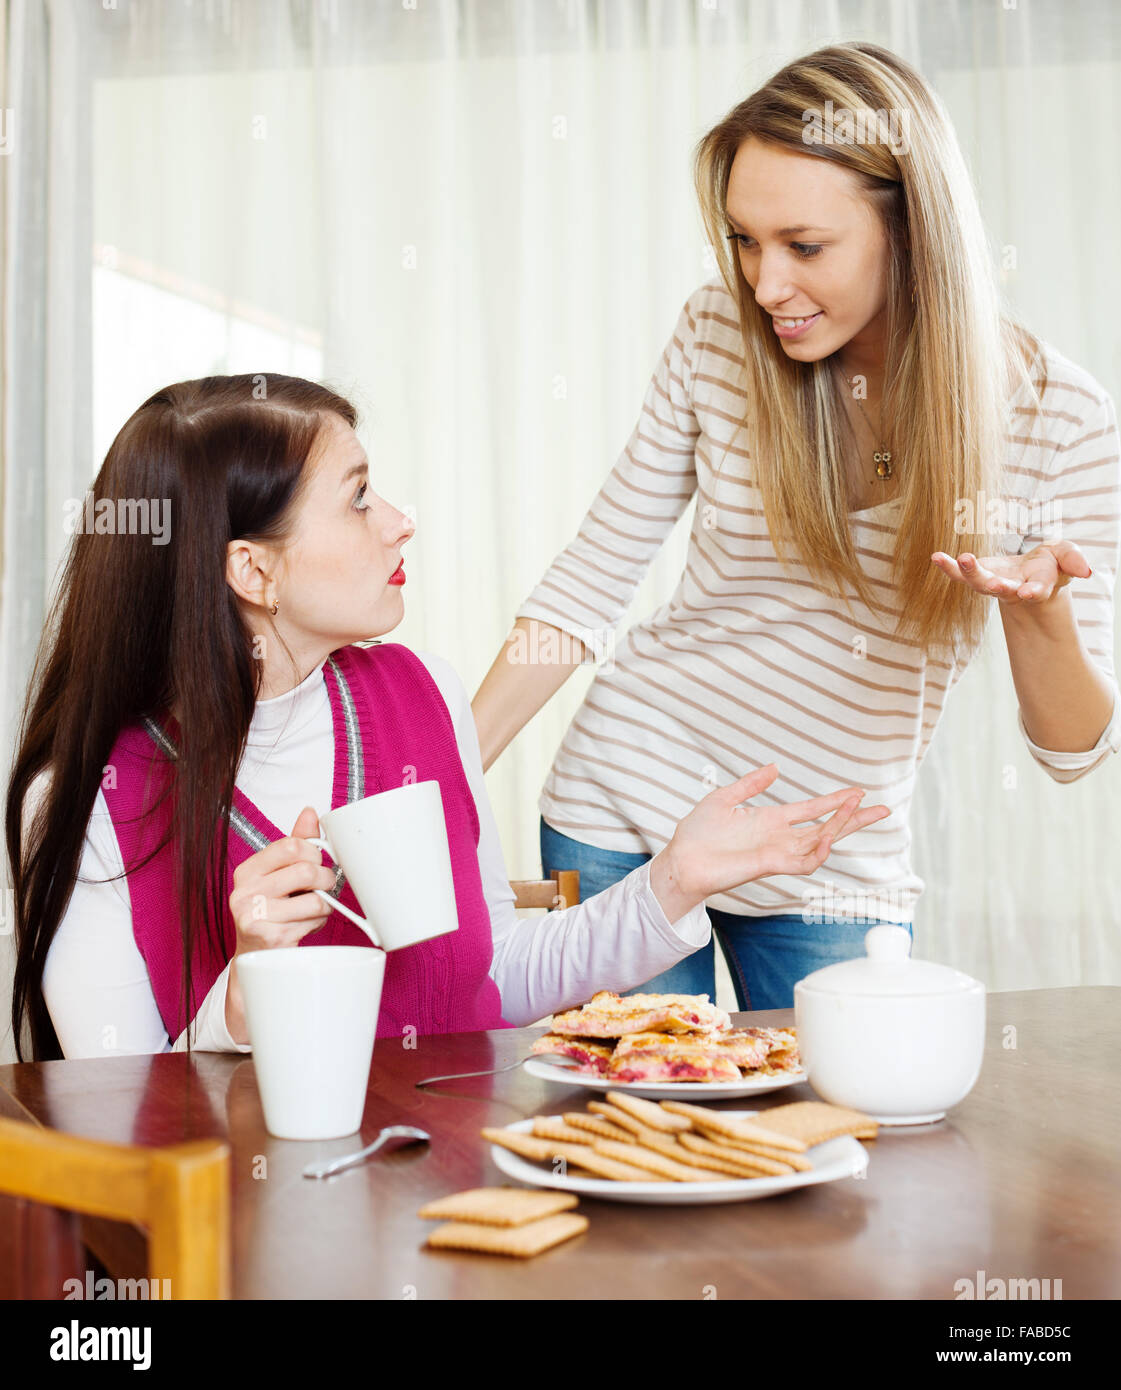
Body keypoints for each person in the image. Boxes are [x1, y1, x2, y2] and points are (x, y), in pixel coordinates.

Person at [471, 41, 1121, 1009]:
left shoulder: (1054, 419)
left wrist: (1034, 612)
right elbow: (590, 578)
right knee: (643, 1126)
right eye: (741, 240)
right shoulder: (716, 334)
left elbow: (1070, 752)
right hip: (628, 806)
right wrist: (435, 779)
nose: (764, 284)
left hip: (835, 857)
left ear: (911, 231)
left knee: (841, 1130)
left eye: (802, 246)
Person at [5, 375, 888, 1062]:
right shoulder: (92, 798)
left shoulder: (422, 694)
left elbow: (495, 976)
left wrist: (676, 880)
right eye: (357, 499)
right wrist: (243, 998)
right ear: (253, 571)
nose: (400, 522)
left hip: (456, 1205)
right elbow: (110, 1113)